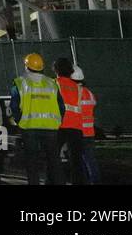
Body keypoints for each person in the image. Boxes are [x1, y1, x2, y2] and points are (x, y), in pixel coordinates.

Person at [10, 52, 65, 185]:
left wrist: (19, 122)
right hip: (50, 129)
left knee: (32, 162)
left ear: (26, 66)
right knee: (53, 161)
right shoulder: (52, 83)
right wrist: (57, 122)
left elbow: (14, 106)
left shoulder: (20, 82)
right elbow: (61, 107)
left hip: (29, 128)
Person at [54, 57, 86, 185]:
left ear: (56, 70)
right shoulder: (77, 87)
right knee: (76, 162)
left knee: (53, 158)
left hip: (60, 125)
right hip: (76, 126)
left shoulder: (54, 83)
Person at [74, 67, 100, 184]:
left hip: (80, 131)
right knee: (90, 160)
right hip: (90, 132)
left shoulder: (74, 93)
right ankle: (95, 181)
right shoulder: (89, 93)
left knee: (81, 161)